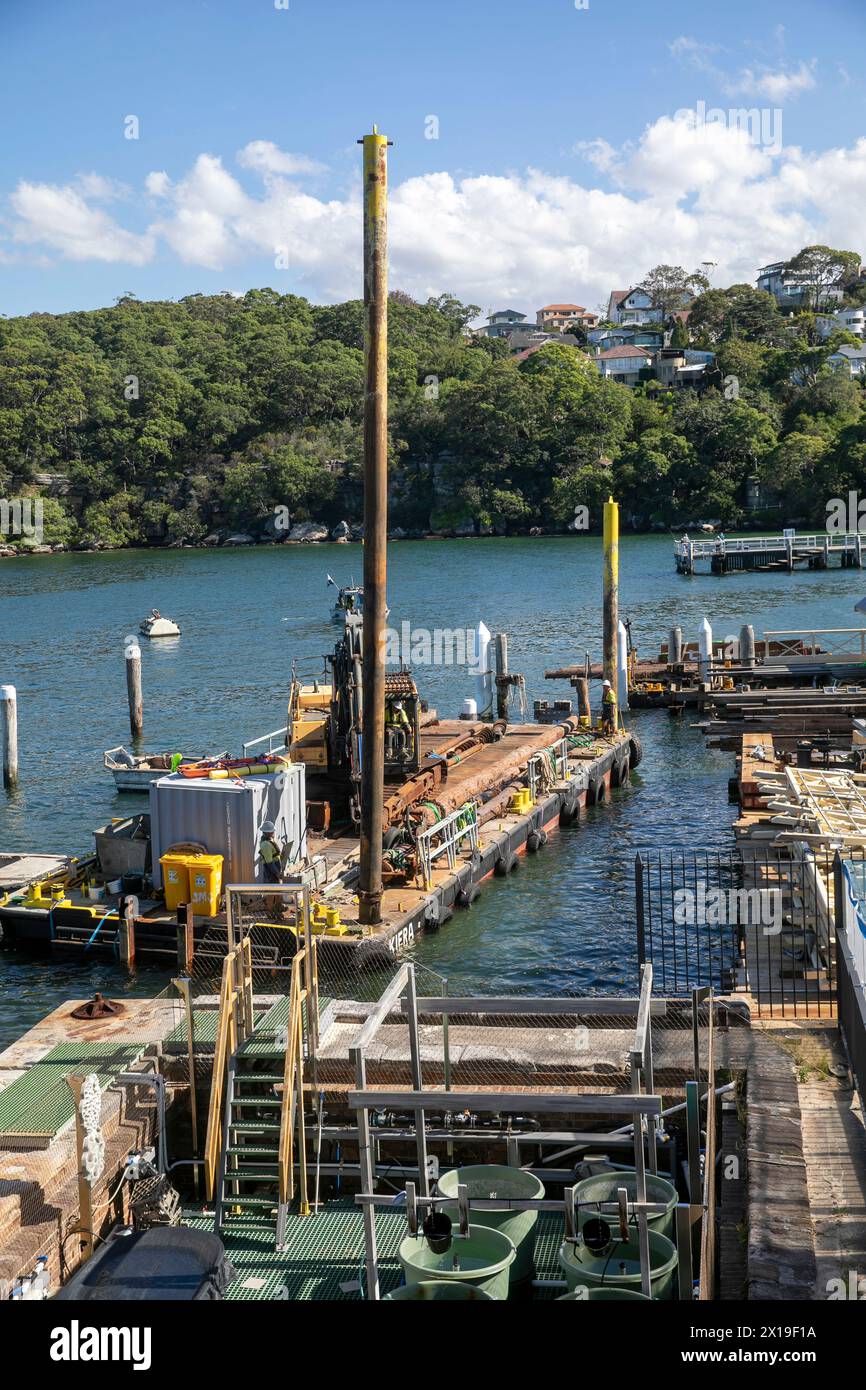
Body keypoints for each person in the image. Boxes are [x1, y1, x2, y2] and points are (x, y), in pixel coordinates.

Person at [260, 820, 285, 911]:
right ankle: (270, 910)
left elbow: (274, 854)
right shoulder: (265, 845)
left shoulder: (270, 840)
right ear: (267, 833)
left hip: (275, 868)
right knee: (271, 891)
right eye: (272, 831)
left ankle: (278, 906)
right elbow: (269, 863)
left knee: (278, 888)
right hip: (270, 871)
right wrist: (277, 873)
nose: (274, 832)